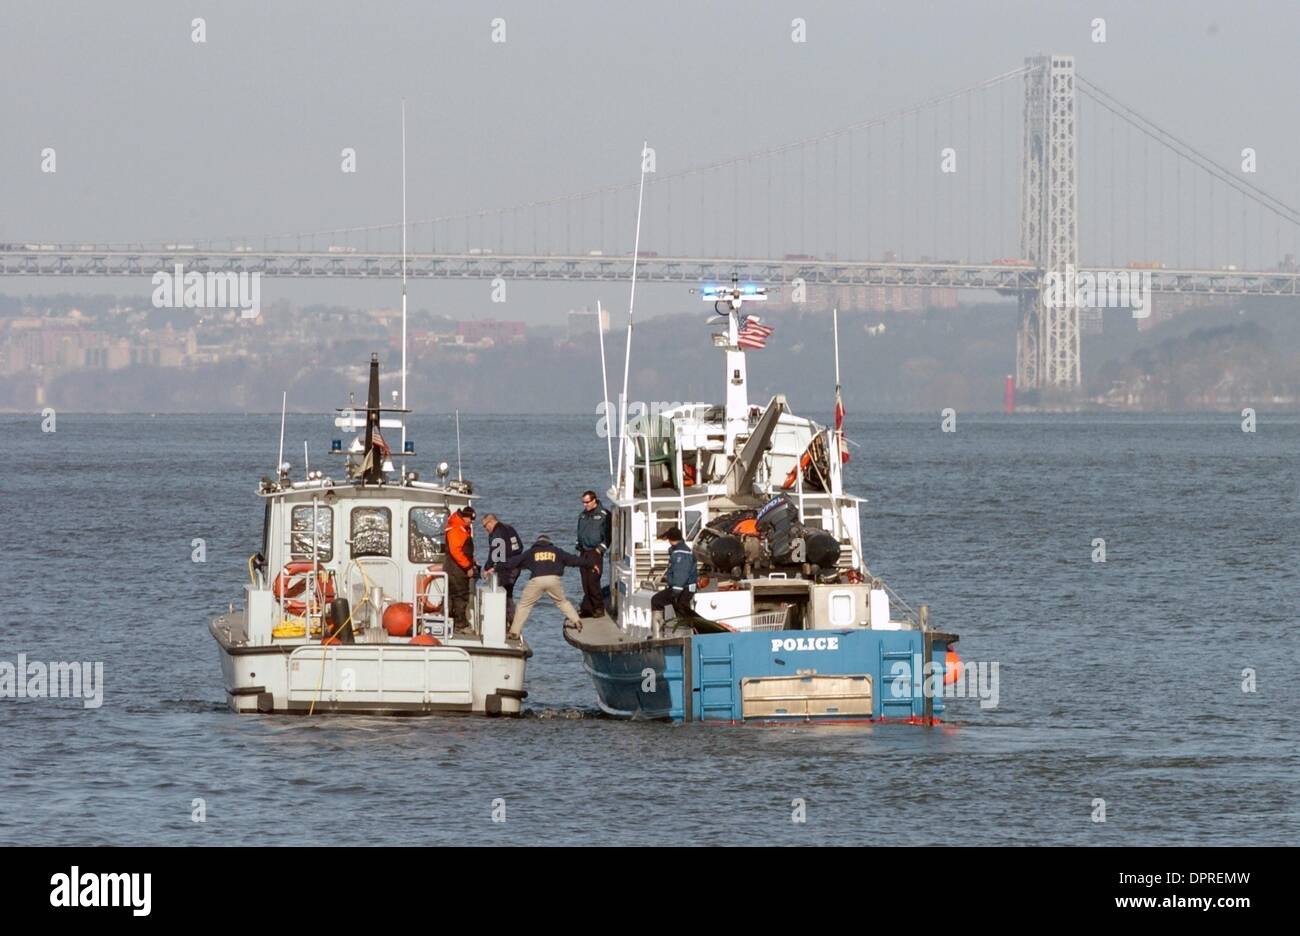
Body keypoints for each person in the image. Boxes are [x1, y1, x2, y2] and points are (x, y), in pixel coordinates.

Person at [501, 534, 591, 640]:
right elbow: (573, 560)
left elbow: (514, 562)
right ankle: (577, 621)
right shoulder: (557, 551)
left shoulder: (531, 552)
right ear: (549, 542)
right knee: (562, 602)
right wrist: (590, 564)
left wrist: (498, 566)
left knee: (524, 605)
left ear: (538, 542)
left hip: (537, 580)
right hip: (554, 579)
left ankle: (514, 632)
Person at [575, 489, 612, 617]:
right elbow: (579, 531)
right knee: (585, 582)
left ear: (594, 500)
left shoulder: (604, 515)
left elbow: (608, 535)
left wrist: (600, 549)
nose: (585, 505)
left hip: (595, 552)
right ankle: (588, 608)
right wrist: (578, 544)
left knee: (593, 581)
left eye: (587, 502)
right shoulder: (583, 515)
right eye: (583, 502)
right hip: (584, 552)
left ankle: (598, 608)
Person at [481, 513, 522, 623]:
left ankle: (502, 622)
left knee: (500, 595)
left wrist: (488, 568)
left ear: (491, 522)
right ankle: (512, 622)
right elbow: (520, 547)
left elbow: (496, 554)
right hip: (516, 567)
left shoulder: (497, 532)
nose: (486, 530)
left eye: (485, 526)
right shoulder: (510, 529)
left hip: (505, 569)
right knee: (508, 594)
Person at [650, 526, 697, 623]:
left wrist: (675, 591)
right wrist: (666, 579)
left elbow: (681, 574)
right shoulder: (683, 551)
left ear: (671, 539)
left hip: (683, 589)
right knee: (681, 609)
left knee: (656, 600)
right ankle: (684, 628)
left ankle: (658, 632)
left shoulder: (680, 554)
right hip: (687, 588)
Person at [444, 506, 478, 630]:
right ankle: (460, 623)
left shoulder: (461, 528)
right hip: (456, 569)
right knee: (460, 594)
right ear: (465, 517)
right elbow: (456, 551)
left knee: (454, 594)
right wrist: (468, 566)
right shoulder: (457, 529)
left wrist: (471, 561)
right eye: (470, 519)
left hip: (456, 567)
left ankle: (451, 621)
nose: (471, 522)